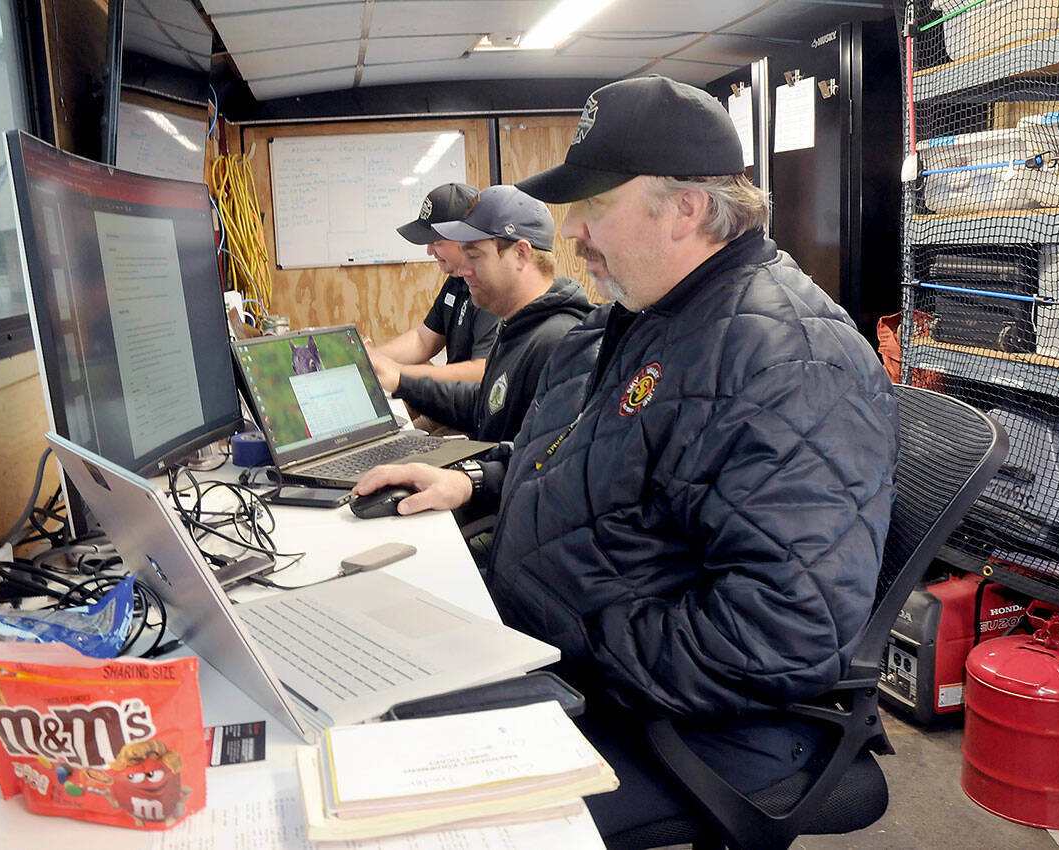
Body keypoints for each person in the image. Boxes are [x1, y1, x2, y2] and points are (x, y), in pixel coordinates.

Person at [353, 75, 898, 839]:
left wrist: (560, 640)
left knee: (405, 820)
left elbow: (781, 634)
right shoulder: (645, 314)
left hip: (685, 724)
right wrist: (472, 478)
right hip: (570, 656)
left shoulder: (790, 363)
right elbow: (585, 457)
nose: (573, 231)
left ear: (689, 209)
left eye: (596, 206)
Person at [369, 184, 592, 443]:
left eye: (474, 256)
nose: (463, 270)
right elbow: (484, 404)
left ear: (520, 254)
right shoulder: (517, 327)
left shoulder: (555, 342)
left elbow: (538, 463)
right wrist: (399, 379)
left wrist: (470, 479)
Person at [372, 183, 501, 384]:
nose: (429, 252)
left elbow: (482, 371)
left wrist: (399, 374)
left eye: (437, 243)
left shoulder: (492, 289)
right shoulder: (456, 281)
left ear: (464, 239)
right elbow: (423, 340)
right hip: (456, 403)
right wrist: (371, 359)